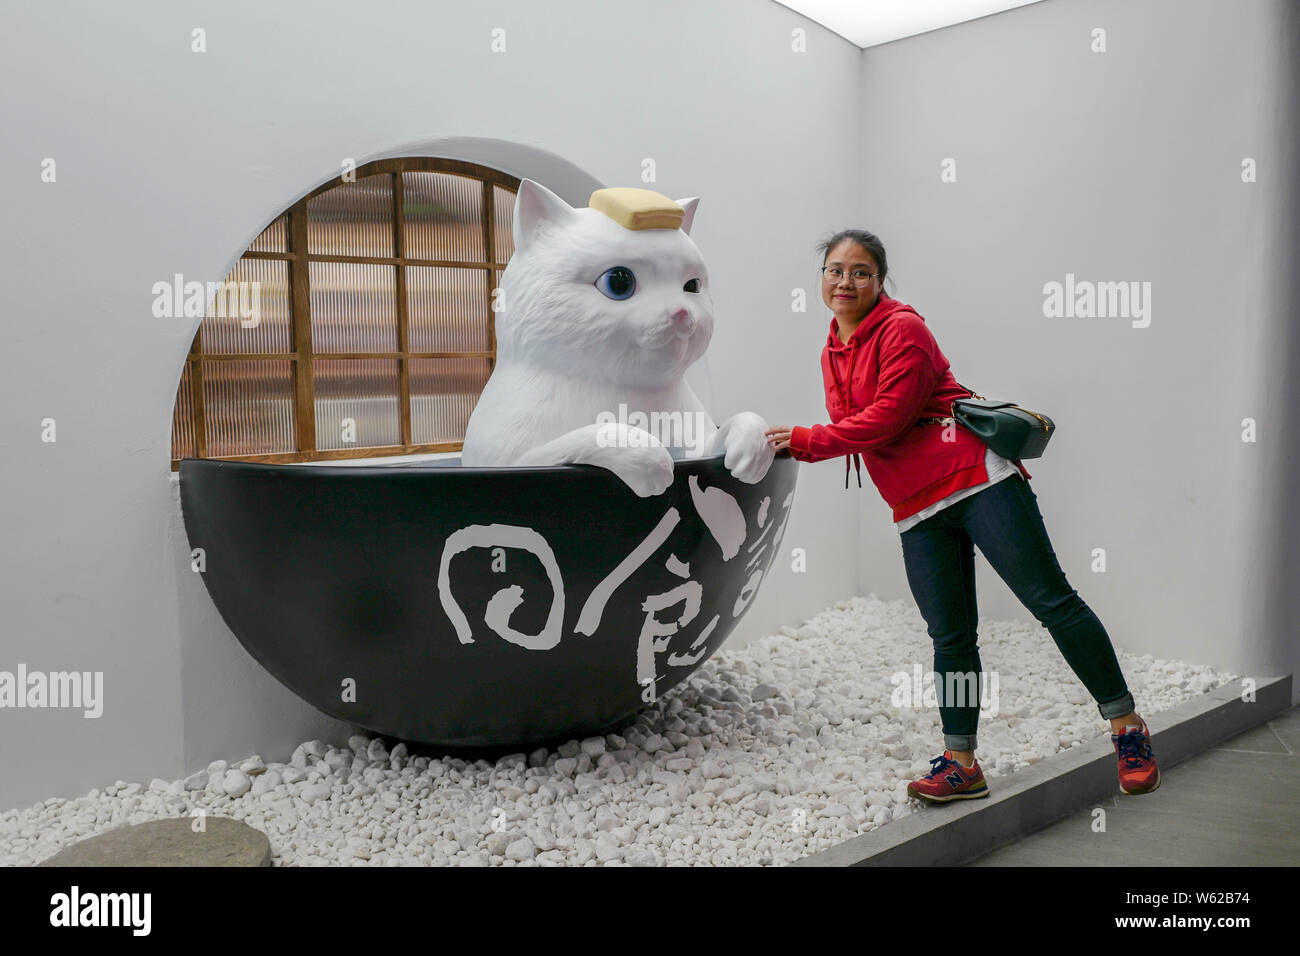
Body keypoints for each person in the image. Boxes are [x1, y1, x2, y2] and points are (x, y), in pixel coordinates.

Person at [764, 229, 1159, 802]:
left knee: (1052, 602)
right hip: (914, 506)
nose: (846, 281)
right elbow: (863, 430)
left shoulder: (904, 330)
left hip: (976, 480)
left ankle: (1128, 729)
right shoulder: (832, 349)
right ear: (822, 279)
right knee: (950, 637)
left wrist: (803, 439)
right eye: (835, 270)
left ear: (879, 281)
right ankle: (962, 762)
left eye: (860, 272)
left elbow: (886, 420)